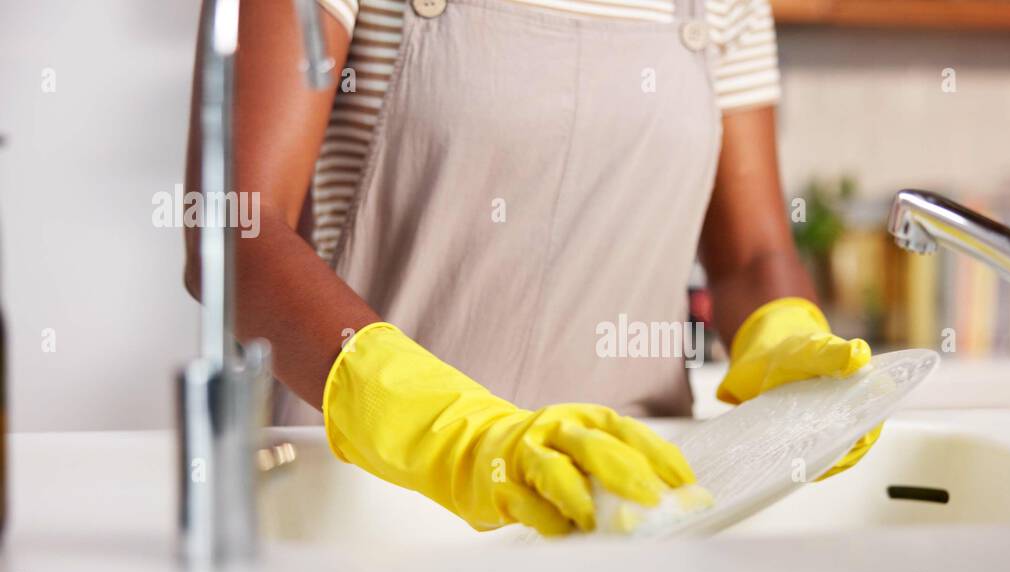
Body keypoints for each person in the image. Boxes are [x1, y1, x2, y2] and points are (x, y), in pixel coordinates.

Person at [183, 0, 879, 535]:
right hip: (370, 505)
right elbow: (232, 227)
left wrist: (785, 338)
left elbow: (752, 256)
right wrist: (461, 439)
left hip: (626, 506)